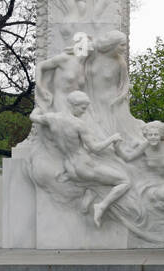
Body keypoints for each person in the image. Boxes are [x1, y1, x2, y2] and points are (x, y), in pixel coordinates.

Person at [30, 91, 130, 226]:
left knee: (95, 180)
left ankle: (89, 195)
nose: (84, 112)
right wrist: (112, 139)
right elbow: (95, 148)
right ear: (73, 105)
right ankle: (101, 206)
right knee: (124, 181)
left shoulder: (51, 118)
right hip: (84, 165)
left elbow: (33, 117)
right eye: (83, 108)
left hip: (69, 167)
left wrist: (40, 107)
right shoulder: (78, 124)